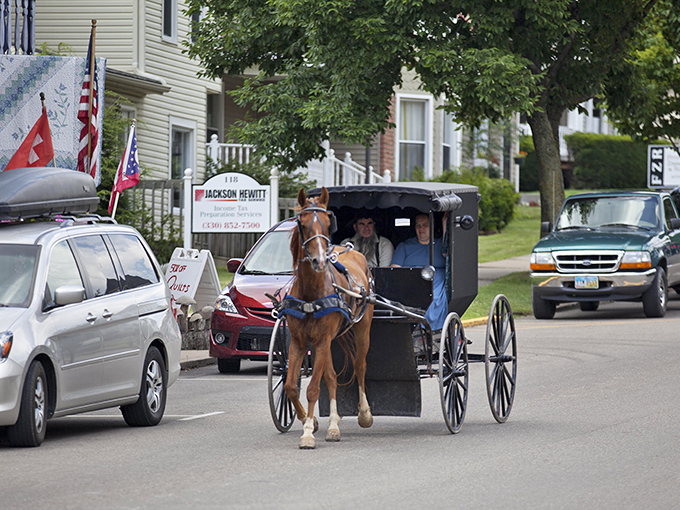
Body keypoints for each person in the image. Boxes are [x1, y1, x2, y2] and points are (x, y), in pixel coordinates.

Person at [390, 214, 448, 331]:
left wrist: (445, 221)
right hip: (410, 280)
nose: (421, 229)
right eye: (418, 226)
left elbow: (447, 249)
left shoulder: (439, 245)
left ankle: (428, 330)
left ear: (431, 227)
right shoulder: (405, 246)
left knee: (433, 299)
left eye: (425, 225)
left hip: (434, 281)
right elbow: (395, 269)